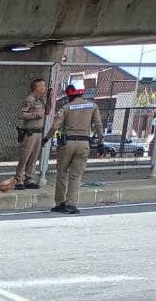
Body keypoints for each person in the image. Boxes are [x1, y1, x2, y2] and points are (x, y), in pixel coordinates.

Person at [51, 77, 102, 214]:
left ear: (70, 92)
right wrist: (101, 141)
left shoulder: (66, 107)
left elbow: (56, 125)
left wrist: (46, 138)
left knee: (62, 173)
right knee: (76, 175)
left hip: (67, 143)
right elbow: (98, 125)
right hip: (84, 143)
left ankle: (60, 203)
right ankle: (71, 204)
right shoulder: (93, 106)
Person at [14, 77, 48, 188]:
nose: (44, 88)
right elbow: (21, 115)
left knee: (33, 158)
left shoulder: (41, 100)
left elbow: (47, 111)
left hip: (38, 132)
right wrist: (35, 115)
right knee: (25, 157)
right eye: (42, 86)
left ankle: (29, 179)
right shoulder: (30, 99)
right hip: (30, 133)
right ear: (36, 88)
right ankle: (18, 180)